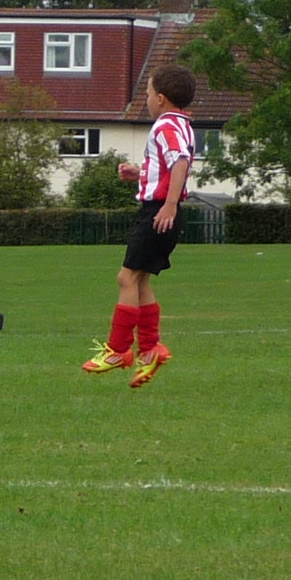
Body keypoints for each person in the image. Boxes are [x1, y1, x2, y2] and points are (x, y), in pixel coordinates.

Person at [81, 64, 197, 388]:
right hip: (162, 209)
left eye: (147, 93)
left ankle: (119, 350)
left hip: (159, 212)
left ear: (160, 98)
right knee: (141, 279)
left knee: (126, 277)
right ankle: (149, 349)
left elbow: (180, 161)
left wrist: (169, 204)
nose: (146, 99)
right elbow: (171, 163)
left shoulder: (164, 126)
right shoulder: (183, 124)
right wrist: (140, 173)